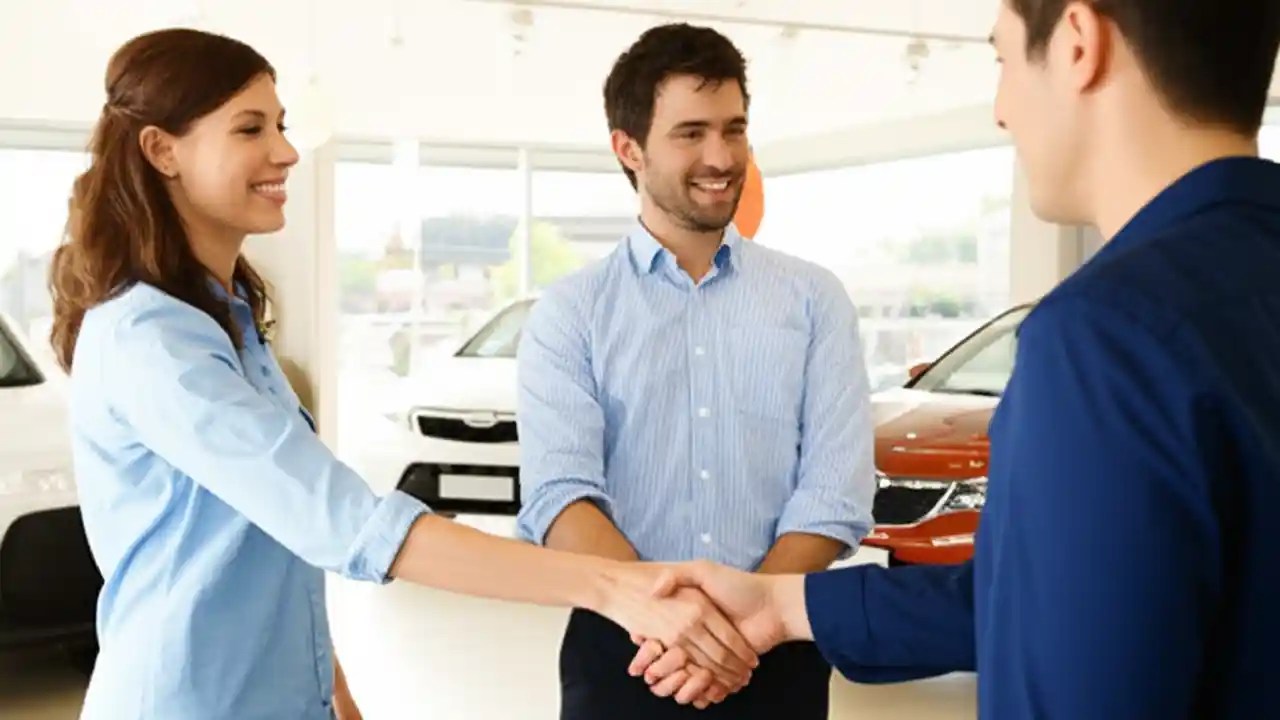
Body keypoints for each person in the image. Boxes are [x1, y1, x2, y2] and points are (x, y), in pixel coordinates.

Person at [50, 28, 759, 720]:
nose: (286, 151)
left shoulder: (228, 317)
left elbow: (267, 534)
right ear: (161, 150)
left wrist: (329, 681)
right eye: (250, 129)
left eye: (281, 124)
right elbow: (345, 523)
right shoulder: (149, 339)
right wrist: (620, 588)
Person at [633, 0, 1280, 717]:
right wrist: (783, 607)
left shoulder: (1104, 336)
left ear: (1076, 43)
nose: (1001, 110)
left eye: (1002, 60)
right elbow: (1055, 599)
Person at [513, 23, 876, 719]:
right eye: (691, 133)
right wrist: (677, 625)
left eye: (734, 130)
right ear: (629, 149)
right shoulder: (571, 312)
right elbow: (562, 496)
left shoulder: (813, 299)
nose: (721, 156)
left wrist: (746, 623)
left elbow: (832, 492)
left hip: (779, 648)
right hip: (624, 650)